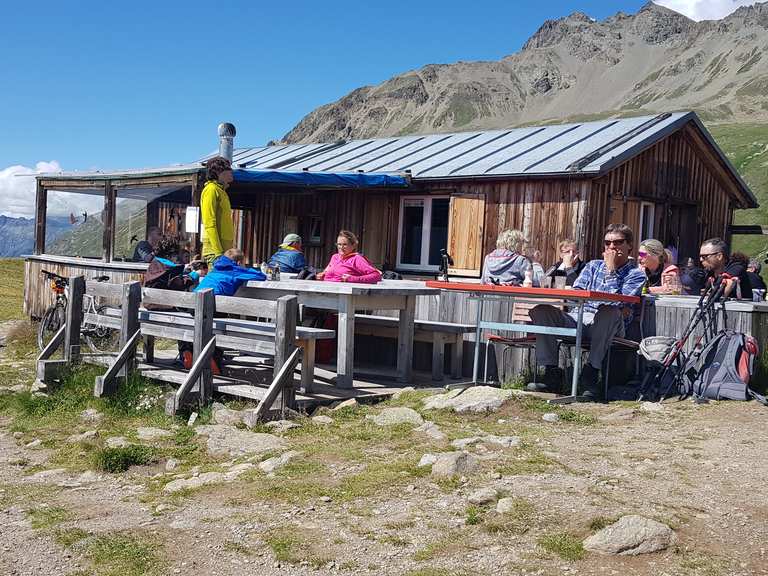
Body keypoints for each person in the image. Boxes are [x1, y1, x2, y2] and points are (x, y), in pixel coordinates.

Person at [529, 224, 647, 400]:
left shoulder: (636, 274)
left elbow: (618, 302)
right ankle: (551, 373)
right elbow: (576, 294)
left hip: (611, 325)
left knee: (608, 311)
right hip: (579, 316)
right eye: (607, 243)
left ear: (629, 245)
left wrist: (611, 271)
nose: (611, 247)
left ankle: (591, 373)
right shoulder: (592, 266)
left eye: (617, 242)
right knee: (541, 311)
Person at [201, 156, 235, 267]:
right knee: (217, 283)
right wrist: (218, 253)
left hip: (225, 251)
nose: (231, 171)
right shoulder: (211, 189)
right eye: (228, 168)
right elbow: (209, 223)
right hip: (216, 251)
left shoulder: (221, 191)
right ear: (218, 172)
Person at [194, 248, 265, 297]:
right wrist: (245, 269)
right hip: (209, 305)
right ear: (239, 263)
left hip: (194, 301)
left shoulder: (215, 268)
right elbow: (261, 276)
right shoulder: (235, 271)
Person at [316, 230, 381, 283]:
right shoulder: (335, 257)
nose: (341, 247)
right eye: (339, 244)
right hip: (327, 293)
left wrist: (353, 279)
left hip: (345, 296)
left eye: (345, 244)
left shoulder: (357, 259)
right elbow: (327, 272)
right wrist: (321, 275)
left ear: (353, 246)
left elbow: (376, 276)